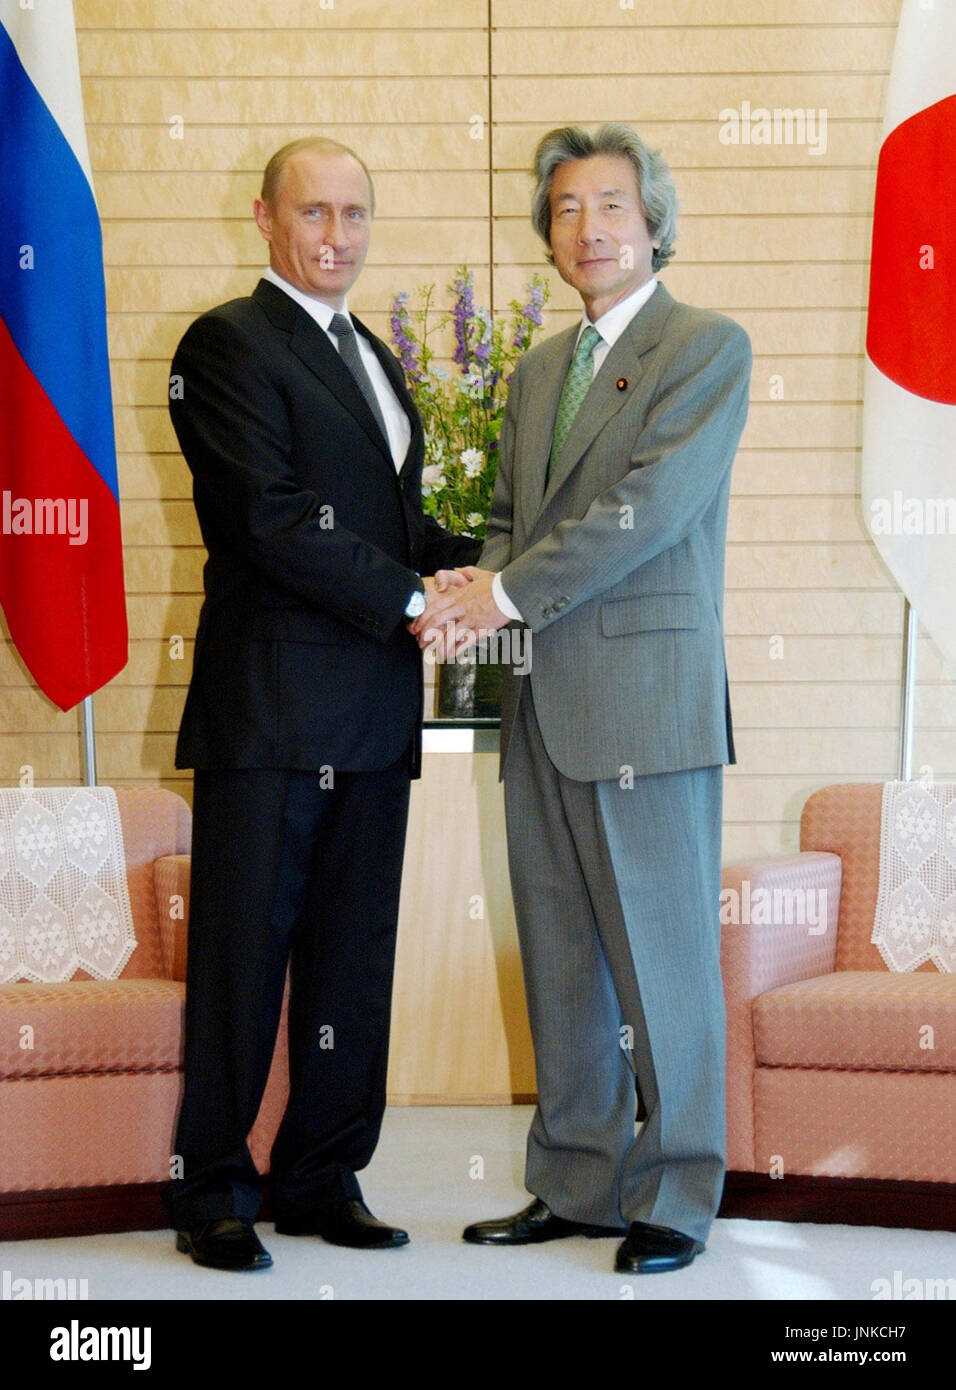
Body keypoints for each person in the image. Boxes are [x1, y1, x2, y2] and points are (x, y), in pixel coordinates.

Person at [414, 123, 751, 1274]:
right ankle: (574, 1182)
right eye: (564, 209)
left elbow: (646, 512)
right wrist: (475, 588)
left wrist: (499, 590)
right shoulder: (539, 372)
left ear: (651, 219)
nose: (587, 227)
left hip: (646, 704)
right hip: (543, 699)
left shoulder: (702, 348)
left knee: (658, 960)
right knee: (561, 957)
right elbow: (515, 523)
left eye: (609, 204)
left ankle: (677, 1194)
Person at [164, 136, 479, 1271]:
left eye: (354, 213)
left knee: (352, 957)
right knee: (244, 958)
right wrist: (411, 596)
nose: (336, 234)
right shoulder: (225, 346)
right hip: (275, 714)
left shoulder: (377, 363)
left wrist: (483, 575)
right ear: (263, 217)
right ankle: (209, 1189)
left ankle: (320, 1172)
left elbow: (393, 529)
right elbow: (272, 519)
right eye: (314, 212)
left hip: (374, 715)